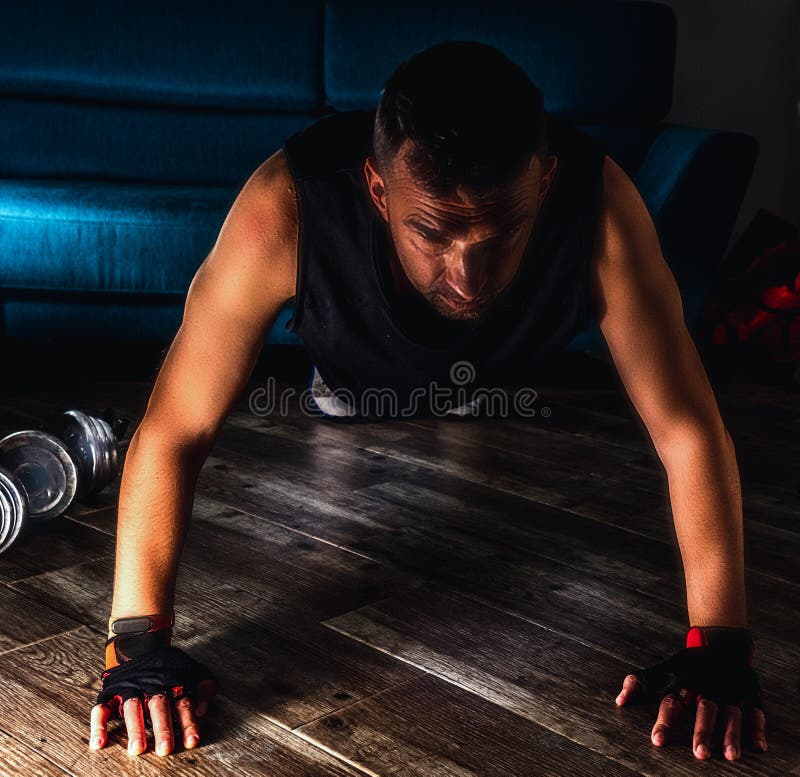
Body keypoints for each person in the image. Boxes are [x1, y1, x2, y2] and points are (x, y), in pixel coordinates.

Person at [87, 41, 766, 761]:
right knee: (356, 395)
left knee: (488, 391)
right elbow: (175, 429)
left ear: (545, 180)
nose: (469, 275)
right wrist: (135, 643)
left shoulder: (601, 204)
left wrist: (719, 643)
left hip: (503, 375)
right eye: (432, 232)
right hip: (356, 376)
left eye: (499, 231)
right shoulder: (287, 204)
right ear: (379, 191)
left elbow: (688, 428)